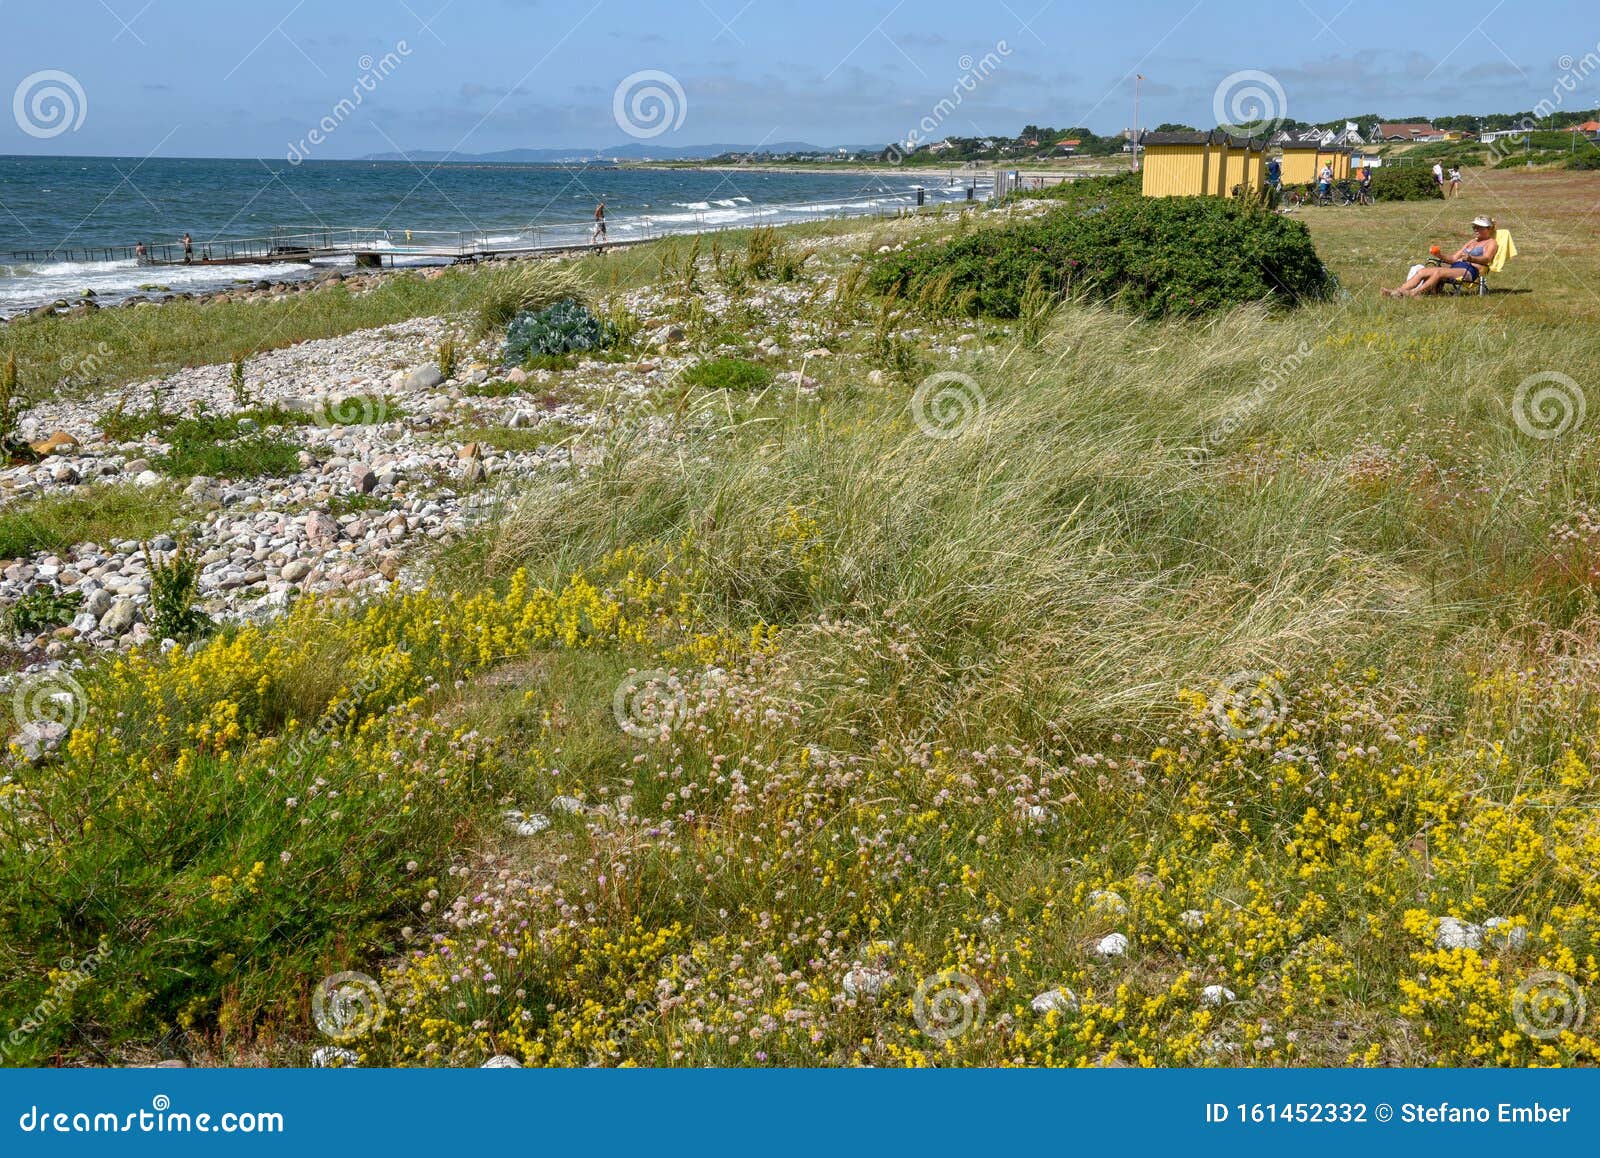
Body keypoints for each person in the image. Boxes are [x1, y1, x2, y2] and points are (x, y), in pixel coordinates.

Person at [1382, 216, 1498, 296]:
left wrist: (1471, 258)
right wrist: (1439, 254)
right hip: (1457, 268)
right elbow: (1453, 259)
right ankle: (1398, 291)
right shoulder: (1472, 242)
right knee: (1422, 271)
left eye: (1479, 227)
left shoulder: (1491, 242)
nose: (1476, 229)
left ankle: (1414, 293)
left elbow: (1487, 258)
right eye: (1474, 227)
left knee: (1439, 272)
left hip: (1470, 271)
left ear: (1489, 228)